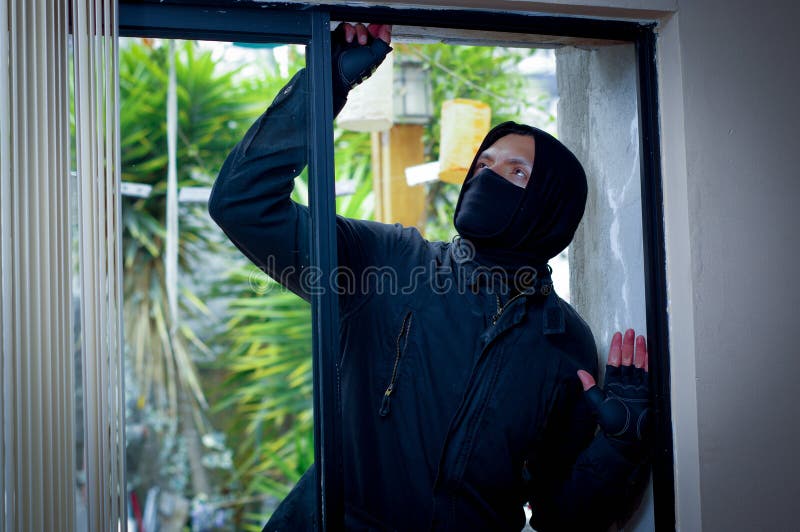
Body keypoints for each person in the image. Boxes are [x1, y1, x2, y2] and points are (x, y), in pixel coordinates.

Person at [209, 22, 651, 532]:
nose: (486, 175)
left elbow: (561, 518)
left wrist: (621, 448)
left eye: (515, 172)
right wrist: (325, 83)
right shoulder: (389, 262)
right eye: (482, 164)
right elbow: (243, 204)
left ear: (551, 207)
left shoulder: (563, 341)